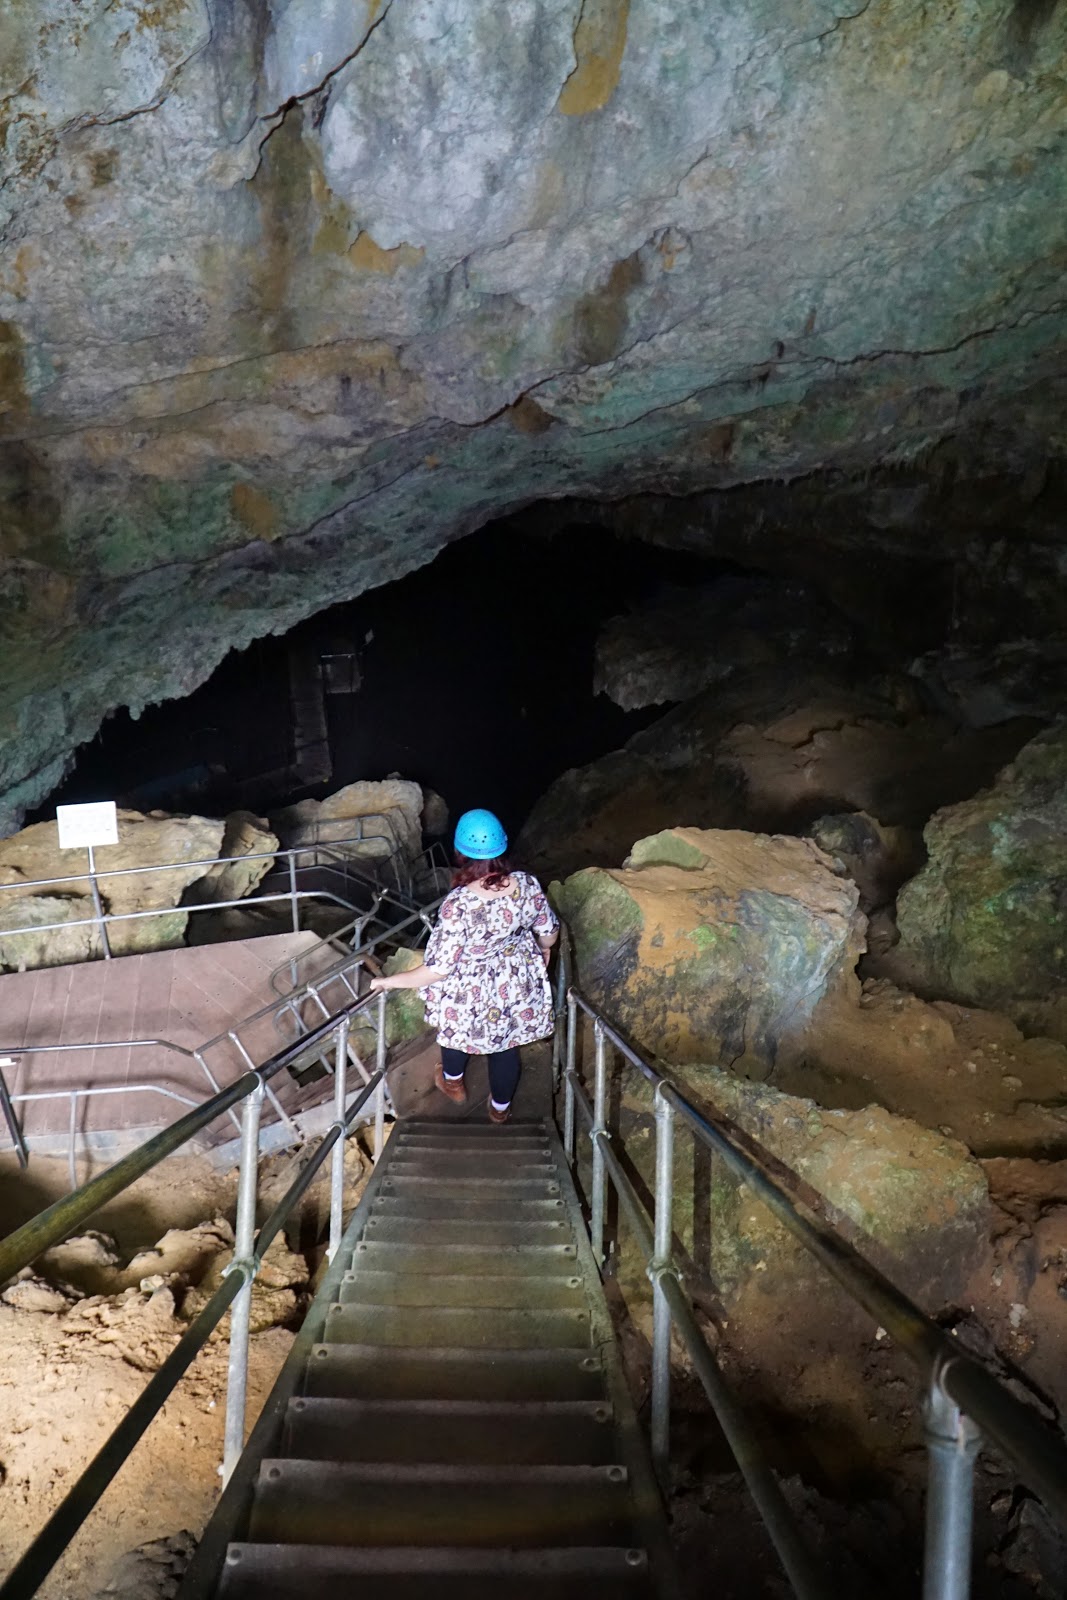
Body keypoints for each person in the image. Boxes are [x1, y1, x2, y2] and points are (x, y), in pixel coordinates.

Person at [368, 808, 559, 1123]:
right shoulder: (526, 884)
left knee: (454, 1032)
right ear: (502, 846)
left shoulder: (459, 904)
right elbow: (548, 931)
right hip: (513, 981)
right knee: (506, 1046)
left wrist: (390, 981)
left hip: (471, 986)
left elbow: (439, 969)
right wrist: (544, 950)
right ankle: (500, 1110)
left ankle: (453, 1083)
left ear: (460, 853)